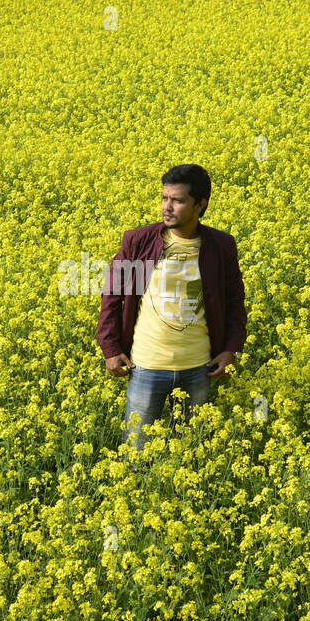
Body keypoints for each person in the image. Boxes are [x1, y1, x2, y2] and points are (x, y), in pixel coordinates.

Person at [97, 164, 247, 452]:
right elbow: (113, 295)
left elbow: (234, 303)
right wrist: (111, 348)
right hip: (146, 365)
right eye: (165, 198)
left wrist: (230, 350)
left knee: (191, 452)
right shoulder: (139, 241)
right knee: (136, 451)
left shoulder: (220, 245)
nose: (167, 207)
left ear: (200, 205)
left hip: (199, 366)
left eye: (177, 201)